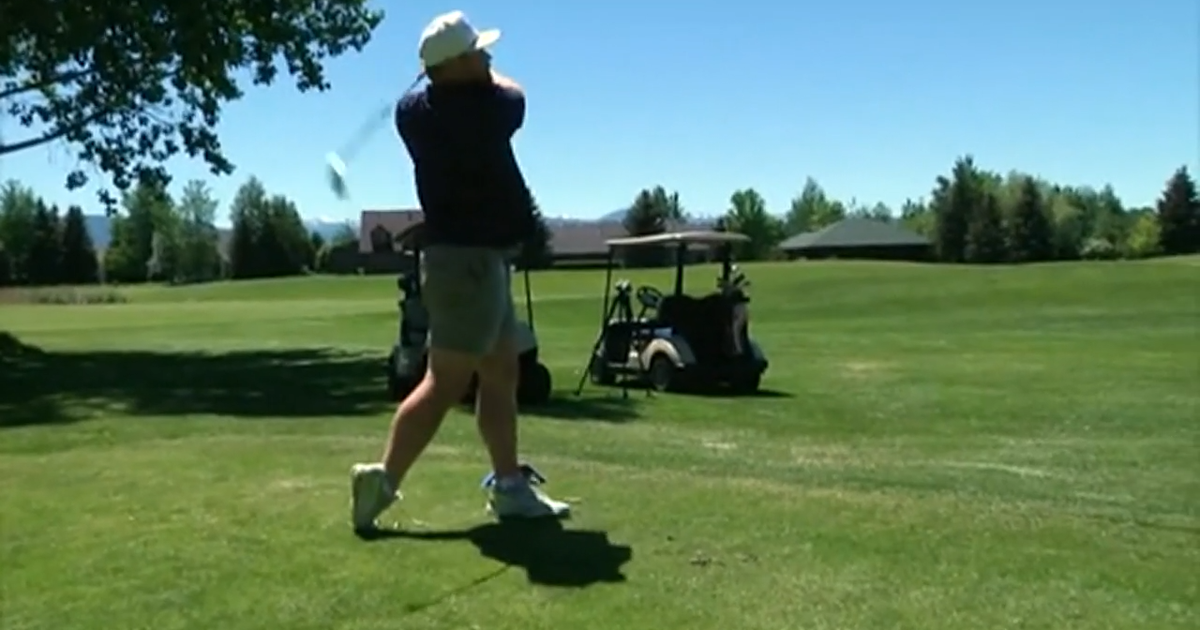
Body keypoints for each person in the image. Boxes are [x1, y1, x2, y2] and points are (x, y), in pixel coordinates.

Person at [349, 10, 569, 532]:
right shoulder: (491, 110)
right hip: (465, 263)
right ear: (454, 67)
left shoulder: (414, 112)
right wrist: (475, 72)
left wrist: (448, 67)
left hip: (474, 261)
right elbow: (516, 91)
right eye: (478, 52)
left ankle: (510, 486)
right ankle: (381, 480)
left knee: (500, 371)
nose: (489, 58)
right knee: (446, 381)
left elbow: (433, 91)